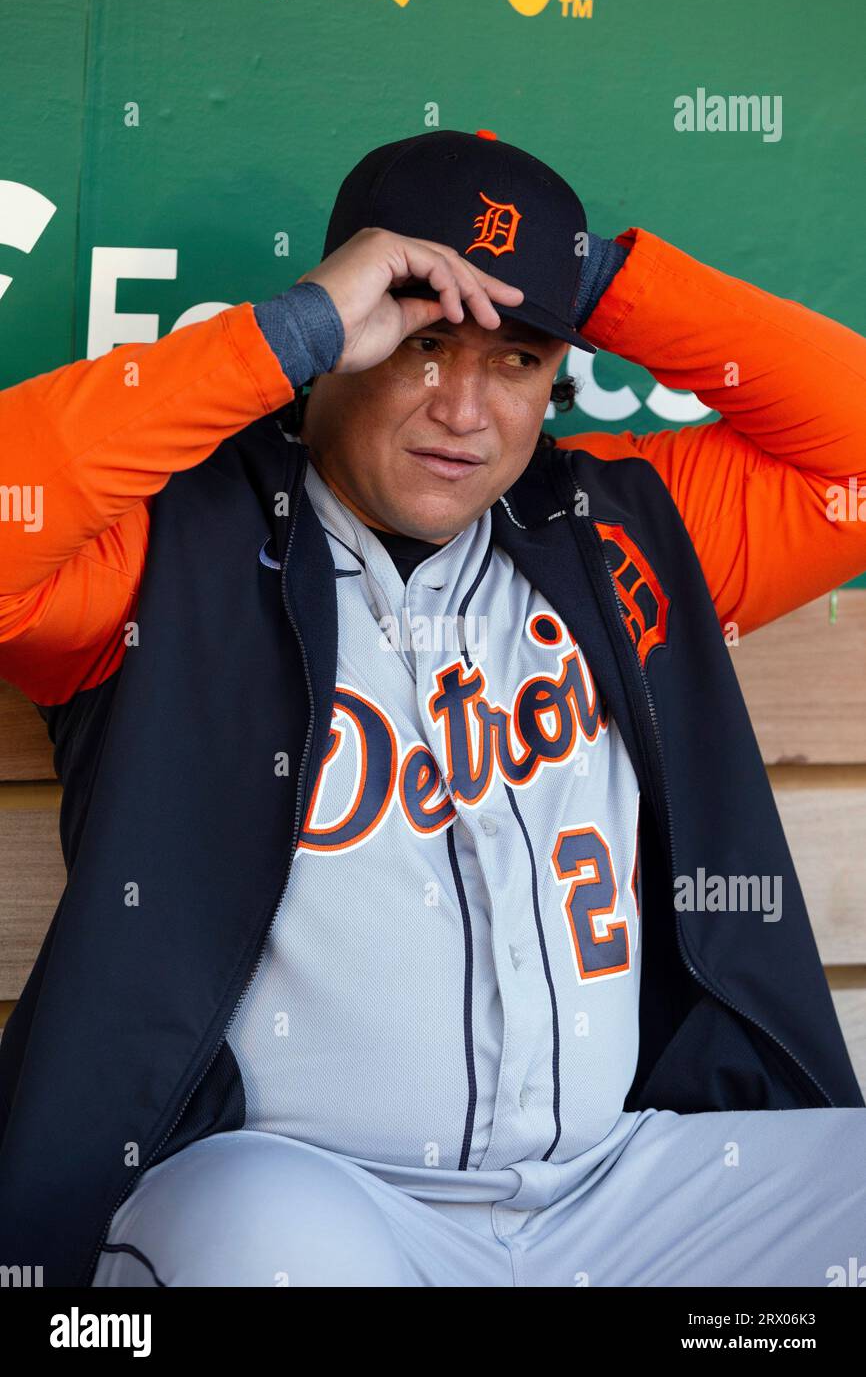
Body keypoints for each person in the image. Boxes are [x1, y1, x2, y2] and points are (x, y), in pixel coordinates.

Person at [0, 129, 864, 1289]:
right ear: (344, 336)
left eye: (515, 359)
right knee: (255, 1247)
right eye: (425, 339)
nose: (465, 407)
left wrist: (588, 279)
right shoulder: (168, 553)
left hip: (621, 1201)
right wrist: (287, 329)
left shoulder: (621, 534)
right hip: (314, 1201)